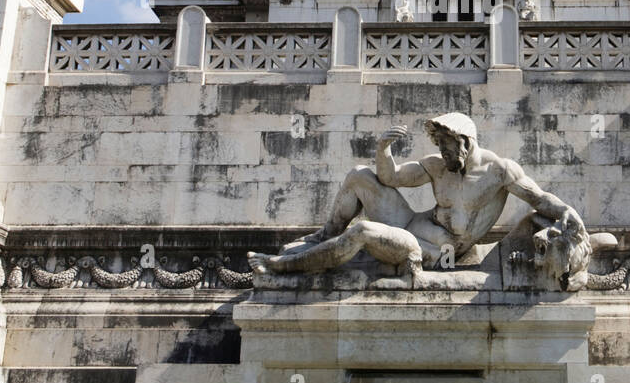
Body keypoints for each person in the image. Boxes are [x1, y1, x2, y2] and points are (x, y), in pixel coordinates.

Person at [247, 113, 591, 289]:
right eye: (439, 144)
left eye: (447, 144)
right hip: (411, 223)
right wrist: (383, 150)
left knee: (364, 230)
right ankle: (323, 237)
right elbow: (391, 178)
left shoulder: (500, 172)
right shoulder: (438, 166)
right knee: (358, 176)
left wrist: (566, 212)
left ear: (466, 142)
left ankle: (282, 266)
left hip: (433, 248)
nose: (441, 151)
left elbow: (539, 198)